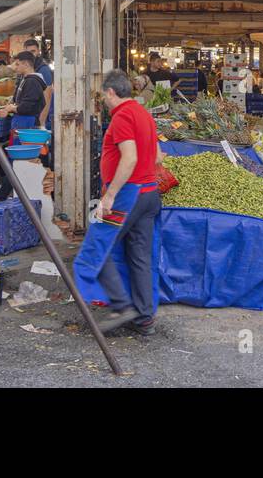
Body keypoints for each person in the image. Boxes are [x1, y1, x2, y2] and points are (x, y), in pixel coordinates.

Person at [81, 70, 161, 337]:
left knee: (96, 247)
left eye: (104, 96)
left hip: (129, 195)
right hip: (150, 195)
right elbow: (159, 156)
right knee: (139, 257)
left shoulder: (123, 116)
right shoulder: (144, 114)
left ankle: (121, 306)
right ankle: (144, 319)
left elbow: (129, 158)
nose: (104, 101)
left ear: (111, 92)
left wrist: (110, 194)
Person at [0, 52, 47, 135]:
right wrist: (8, 109)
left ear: (26, 64)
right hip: (21, 121)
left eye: (17, 64)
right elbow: (19, 102)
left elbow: (27, 106)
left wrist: (12, 108)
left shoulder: (32, 82)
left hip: (27, 123)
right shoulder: (25, 79)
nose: (15, 68)